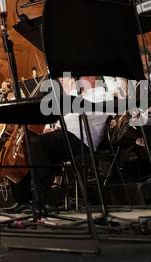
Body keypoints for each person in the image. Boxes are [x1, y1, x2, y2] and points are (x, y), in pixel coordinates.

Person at [23, 75, 120, 213]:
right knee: (30, 143)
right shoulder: (76, 96)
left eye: (80, 77)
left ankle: (44, 199)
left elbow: (92, 112)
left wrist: (72, 98)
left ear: (92, 78)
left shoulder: (102, 95)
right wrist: (55, 127)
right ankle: (33, 198)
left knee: (37, 144)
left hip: (81, 141)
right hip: (66, 136)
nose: (76, 80)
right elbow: (64, 118)